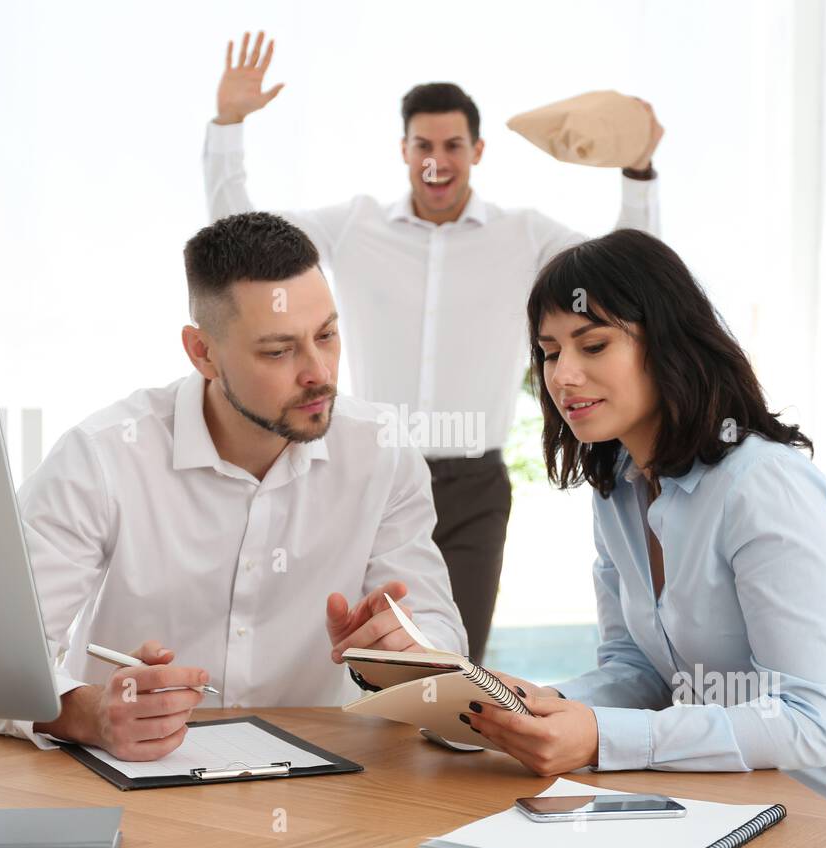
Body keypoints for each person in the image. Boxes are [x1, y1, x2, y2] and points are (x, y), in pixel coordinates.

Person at [466, 228, 826, 848]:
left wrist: (600, 738)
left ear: (667, 345)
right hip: (749, 834)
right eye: (547, 352)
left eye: (593, 344)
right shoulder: (618, 490)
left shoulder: (764, 486)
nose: (563, 375)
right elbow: (641, 673)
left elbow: (806, 721)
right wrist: (542, 706)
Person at [202, 30, 664, 661]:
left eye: (452, 145)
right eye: (423, 145)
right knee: (354, 653)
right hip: (371, 470)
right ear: (403, 150)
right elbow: (242, 245)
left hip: (473, 485)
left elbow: (634, 275)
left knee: (455, 665)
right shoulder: (356, 225)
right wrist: (227, 127)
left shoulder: (522, 234)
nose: (436, 161)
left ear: (477, 150)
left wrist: (638, 169)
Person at [0, 212, 467, 760]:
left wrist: (409, 654)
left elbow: (439, 634)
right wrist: (90, 713)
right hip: (132, 787)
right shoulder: (102, 456)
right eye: (278, 351)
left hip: (325, 784)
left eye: (327, 336)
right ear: (202, 353)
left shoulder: (382, 452)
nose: (319, 372)